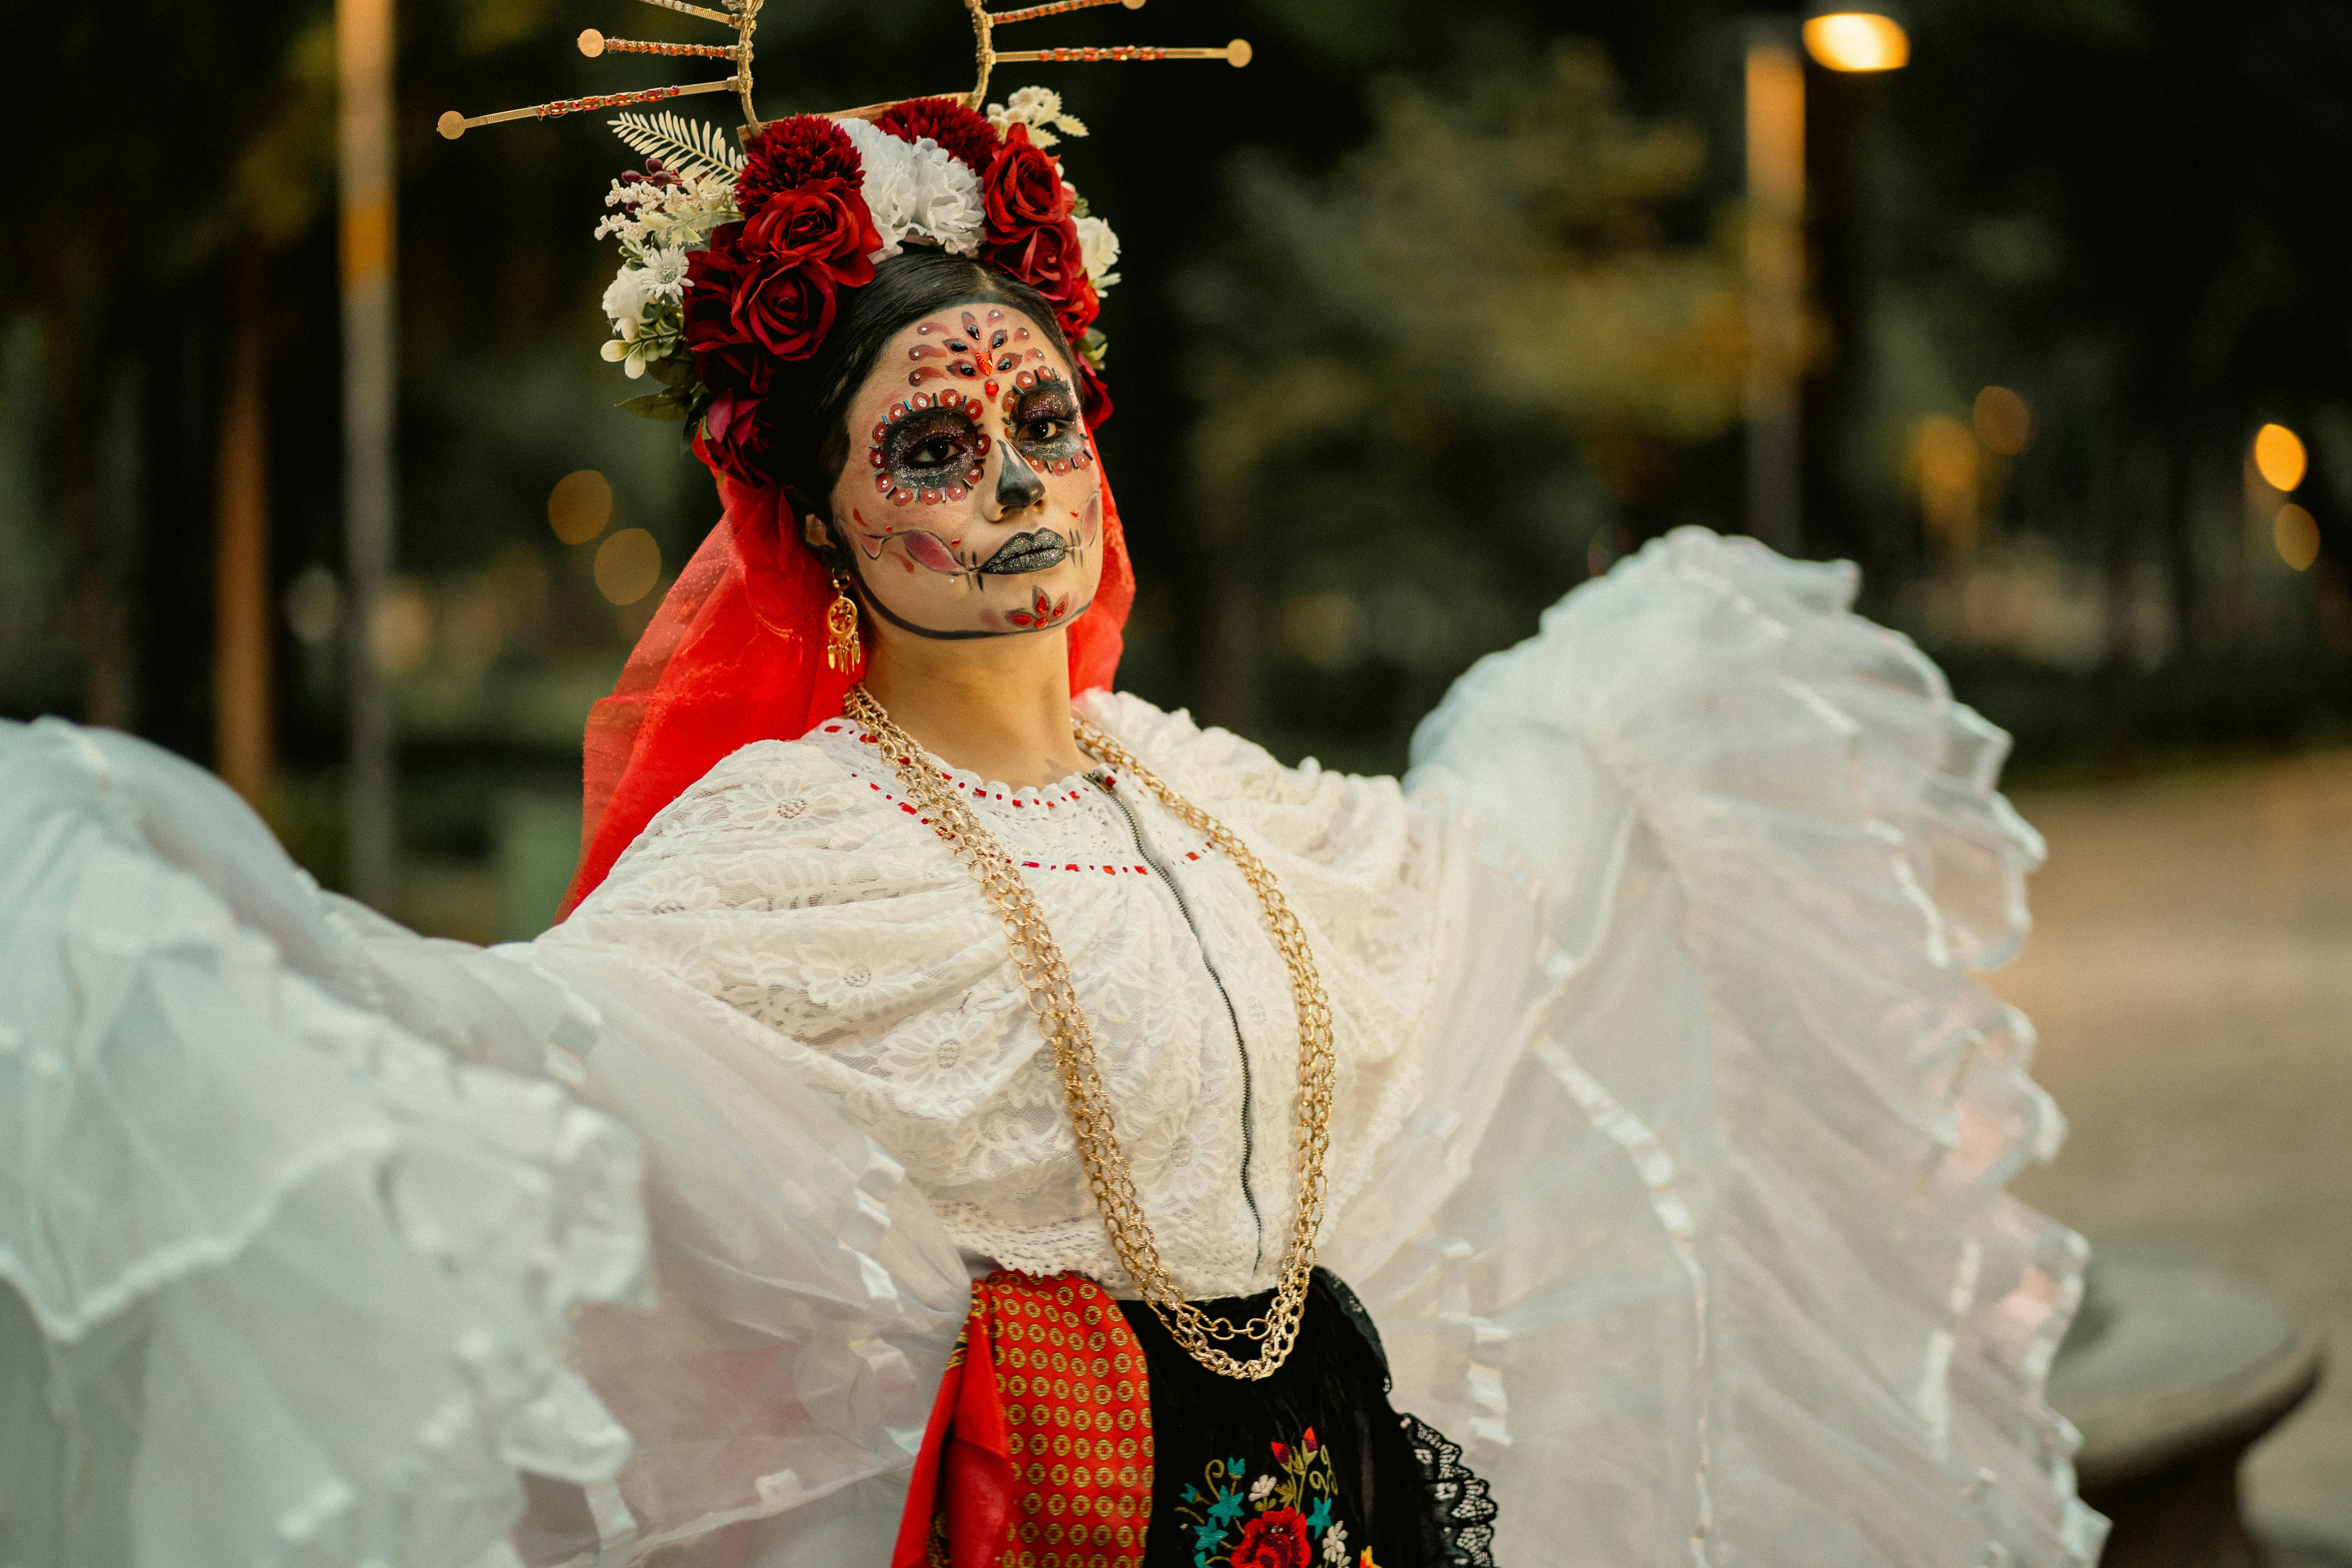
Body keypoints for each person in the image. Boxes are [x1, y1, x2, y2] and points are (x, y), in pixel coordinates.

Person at [0, 89, 2106, 1568]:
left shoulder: (1204, 781)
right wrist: (202, 962)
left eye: (1045, 422)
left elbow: (1482, 904)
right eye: (932, 441)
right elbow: (553, 1090)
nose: (1014, 483)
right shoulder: (773, 853)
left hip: (1329, 1516)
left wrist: (1630, 712)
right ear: (811, 520)